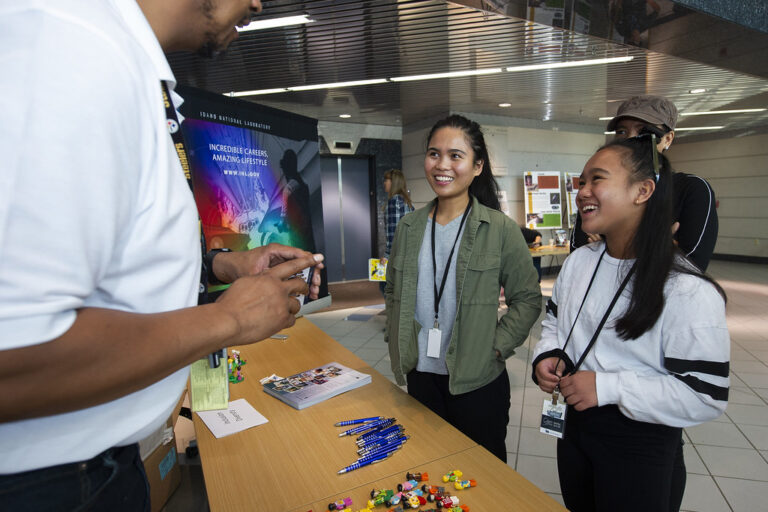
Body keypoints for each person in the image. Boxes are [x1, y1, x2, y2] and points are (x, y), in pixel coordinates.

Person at [0, 1, 324, 509]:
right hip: (49, 486)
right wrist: (228, 320)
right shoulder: (71, 48)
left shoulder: (122, 61)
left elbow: (113, 258)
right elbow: (15, 351)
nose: (258, 3)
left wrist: (221, 265)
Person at [533, 136, 729, 511]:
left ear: (643, 191)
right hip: (575, 427)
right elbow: (555, 323)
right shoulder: (579, 263)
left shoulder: (686, 287)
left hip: (639, 442)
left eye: (597, 179)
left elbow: (705, 394)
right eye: (581, 181)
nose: (582, 191)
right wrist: (548, 355)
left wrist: (608, 387)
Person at [385, 115, 542, 462]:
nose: (442, 165)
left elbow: (528, 299)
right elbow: (393, 290)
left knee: (482, 475)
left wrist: (496, 347)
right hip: (420, 376)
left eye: (455, 156)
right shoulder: (409, 228)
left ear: (477, 166)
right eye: (434, 154)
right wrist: (394, 335)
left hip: (477, 382)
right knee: (429, 470)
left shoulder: (499, 229)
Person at [571, 95, 718, 271]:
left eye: (644, 132)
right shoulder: (599, 191)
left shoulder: (691, 190)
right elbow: (579, 256)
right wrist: (653, 246)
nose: (631, 139)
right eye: (622, 132)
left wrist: (612, 247)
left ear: (668, 138)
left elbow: (692, 263)